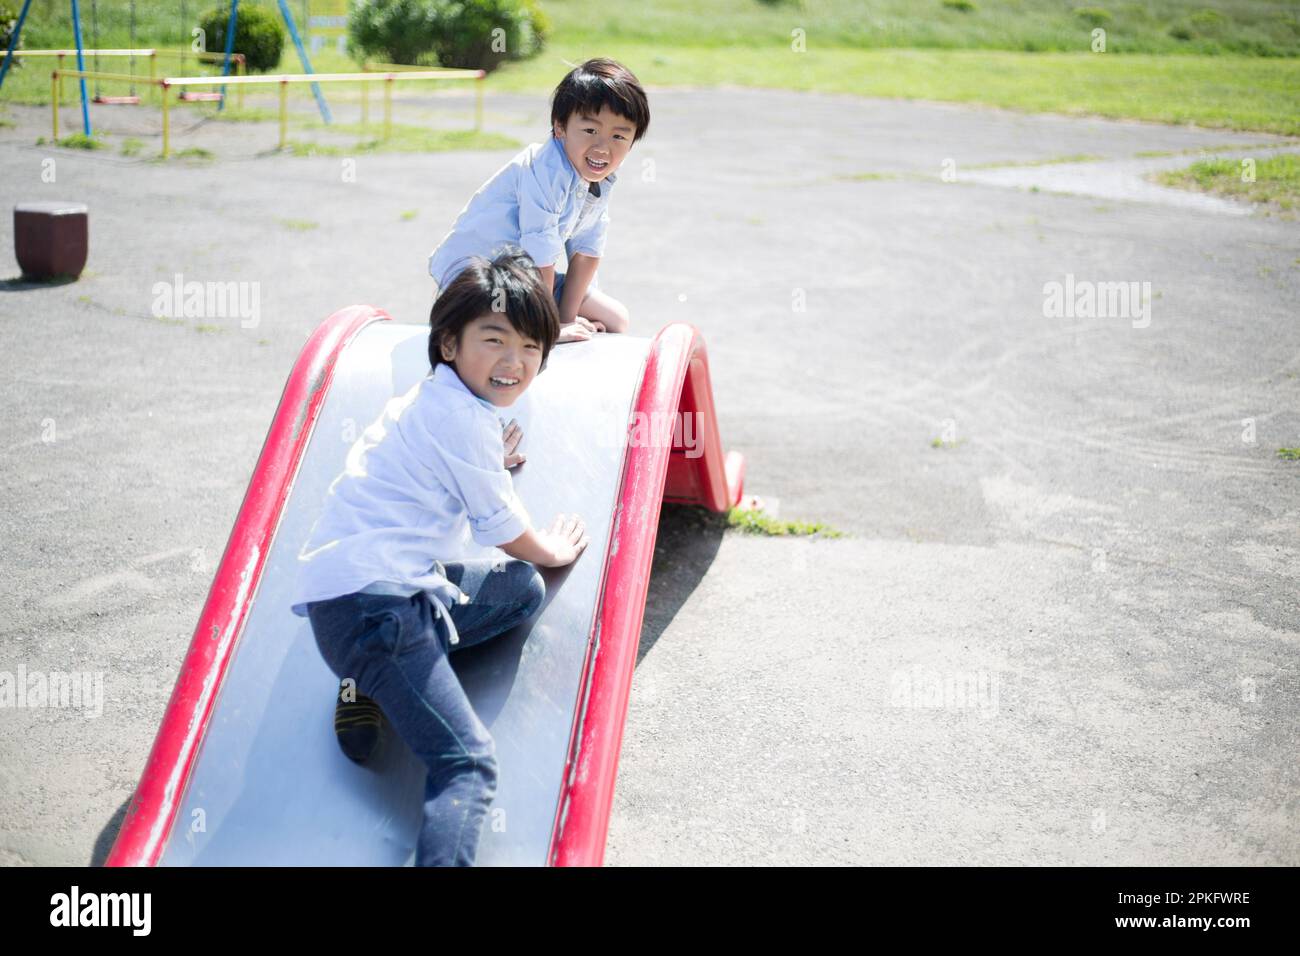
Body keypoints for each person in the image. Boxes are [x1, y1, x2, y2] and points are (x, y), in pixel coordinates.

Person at [290, 250, 590, 866]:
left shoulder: (435, 402)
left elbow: (435, 463)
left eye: (532, 347)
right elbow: (502, 527)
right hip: (379, 610)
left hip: (356, 597)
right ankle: (375, 675)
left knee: (520, 590)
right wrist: (549, 547)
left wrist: (485, 462)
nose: (515, 361)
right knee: (468, 767)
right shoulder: (463, 420)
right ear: (449, 343)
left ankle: (370, 681)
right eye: (495, 340)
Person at [427, 57, 650, 345]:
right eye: (590, 130)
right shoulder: (547, 169)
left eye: (619, 135)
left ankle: (541, 320)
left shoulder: (600, 178)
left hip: (525, 277)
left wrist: (566, 318)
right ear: (560, 127)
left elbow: (586, 250)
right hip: (480, 278)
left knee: (616, 318)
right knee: (508, 331)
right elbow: (539, 252)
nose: (602, 147)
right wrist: (550, 326)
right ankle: (525, 324)